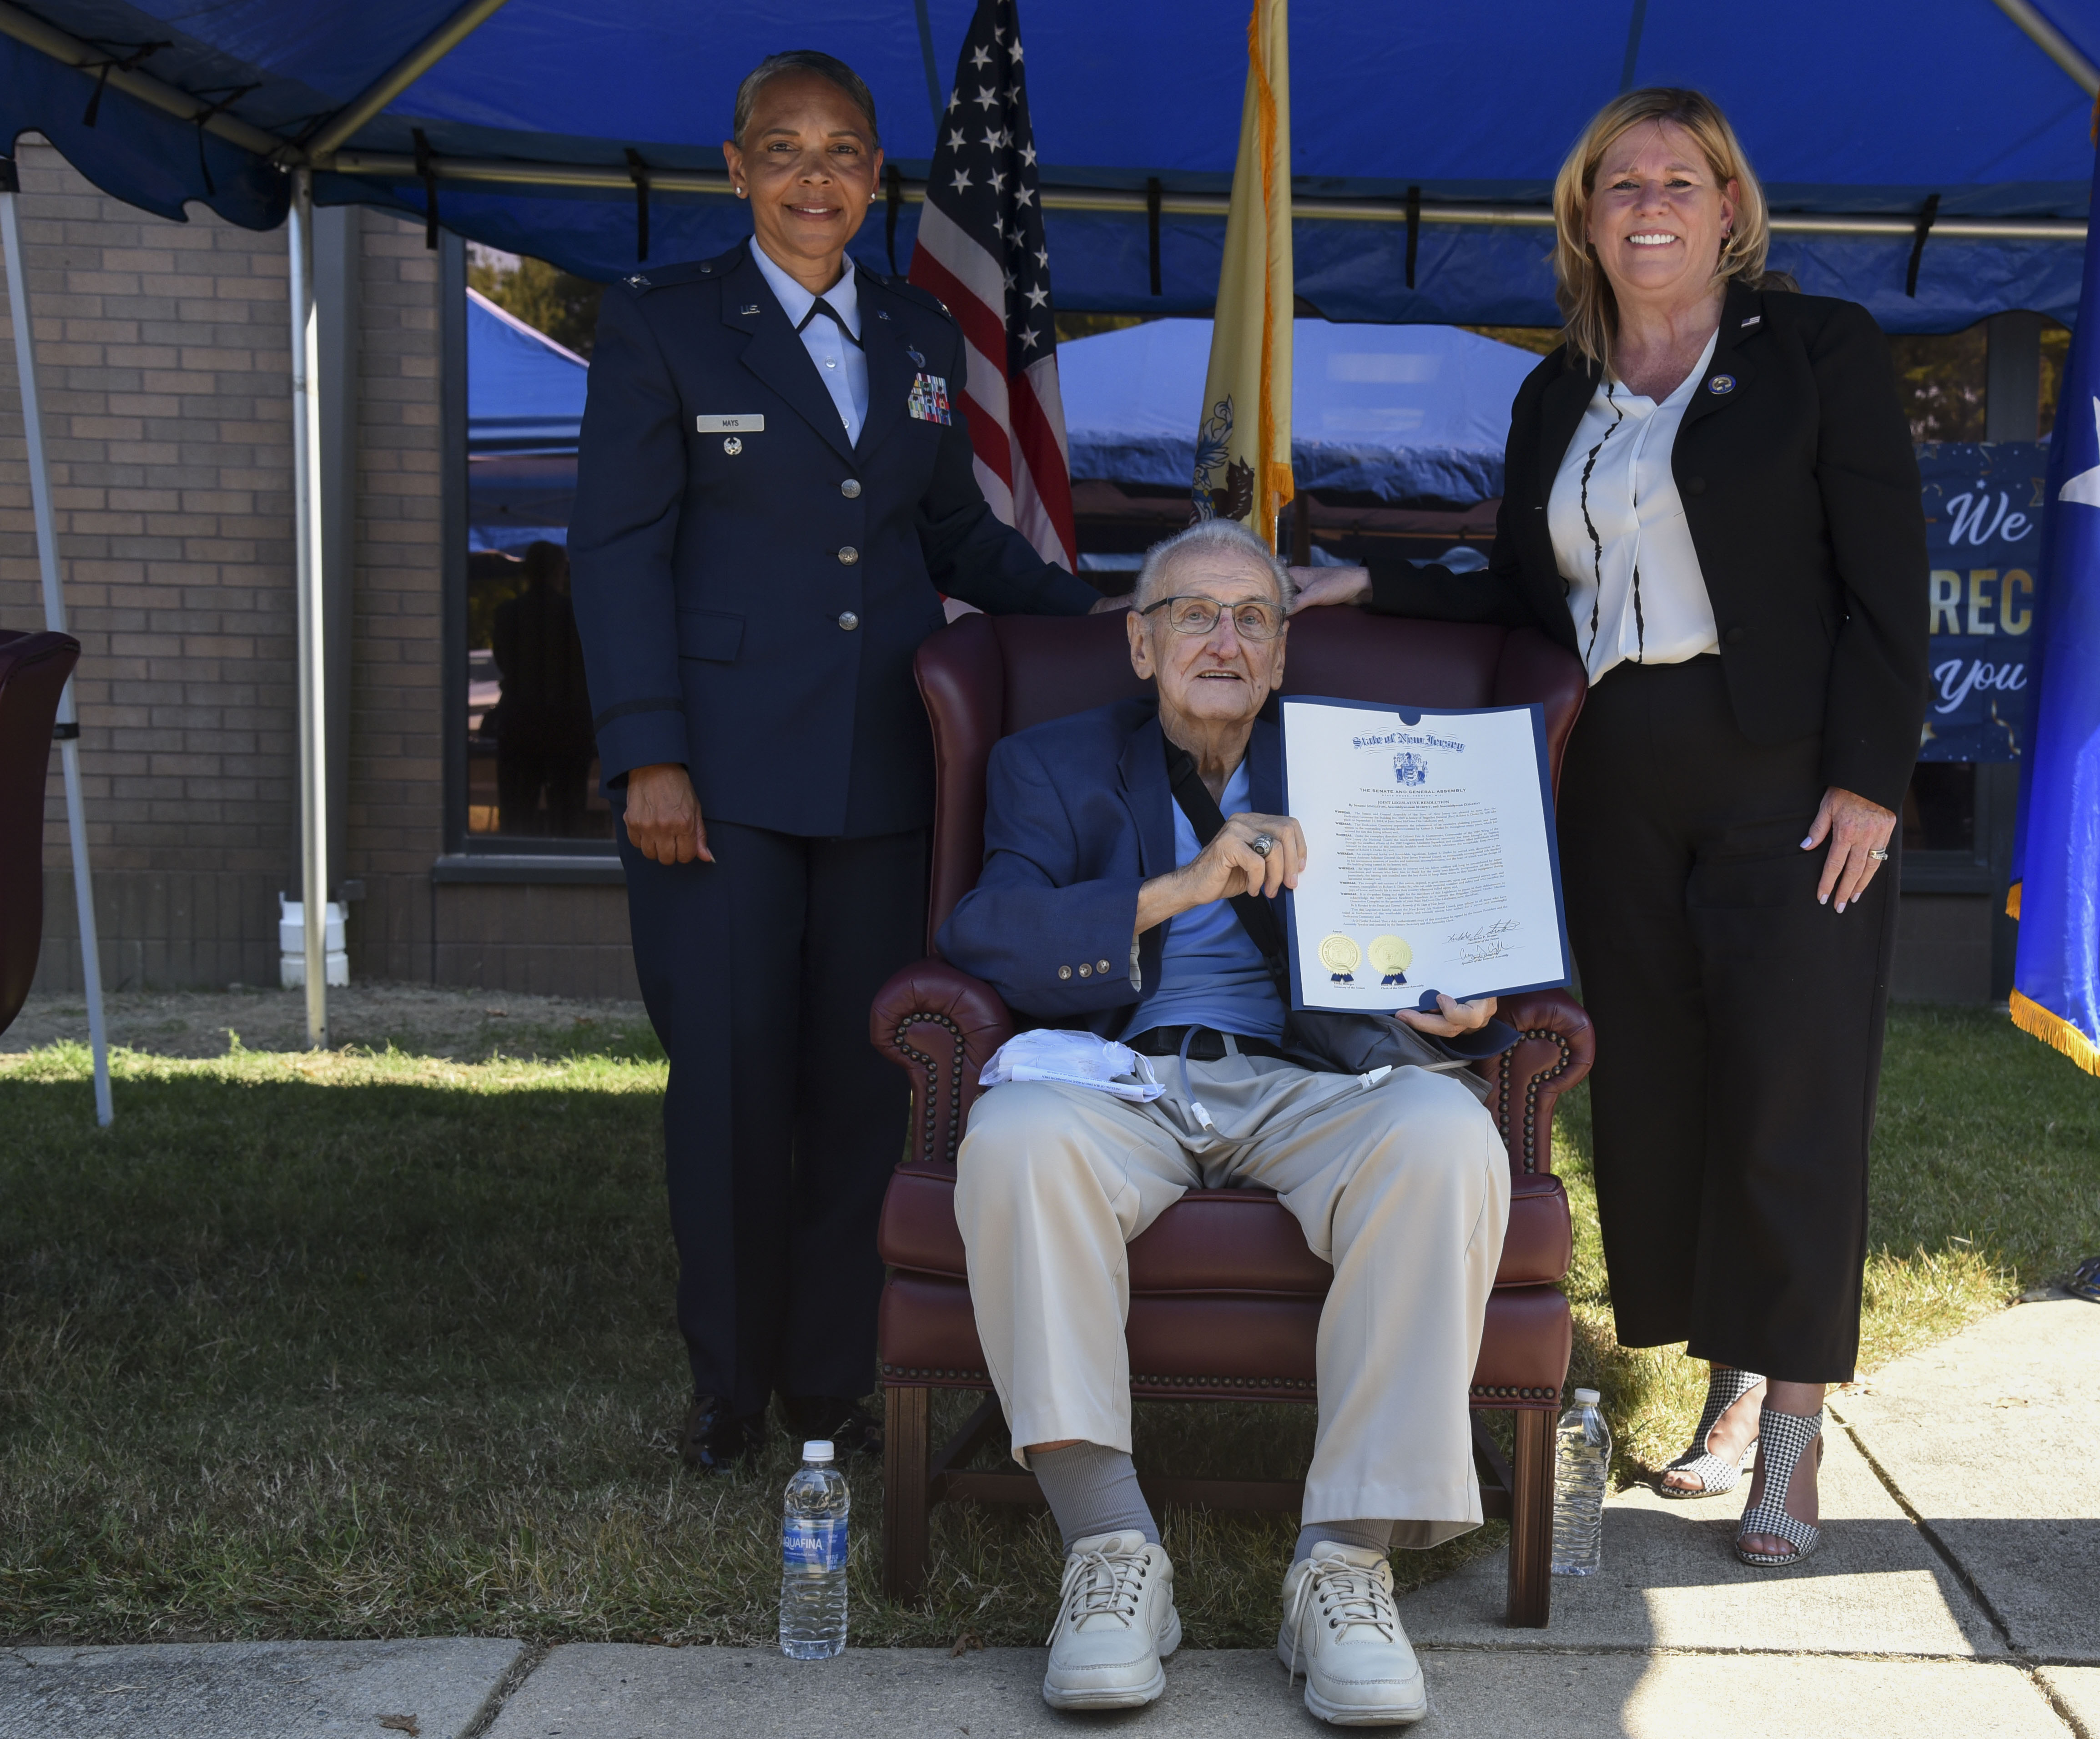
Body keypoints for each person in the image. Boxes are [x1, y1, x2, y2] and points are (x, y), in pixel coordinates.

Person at [1297, 87, 1927, 1565]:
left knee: (1790, 1088)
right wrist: (1368, 589)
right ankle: (1715, 1378)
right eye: (1618, 182)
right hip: (1613, 777)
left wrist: (1871, 777)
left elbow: (1884, 580)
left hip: (1784, 773)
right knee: (1655, 1092)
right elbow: (1529, 595)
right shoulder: (1551, 392)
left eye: (1679, 179)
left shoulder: (1813, 354)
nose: (1648, 202)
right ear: (1583, 217)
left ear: (1727, 207)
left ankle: (1786, 1425)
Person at [569, 49, 1109, 1474]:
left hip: (881, 778)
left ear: (879, 179)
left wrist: (1105, 608)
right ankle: (728, 1391)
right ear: (736, 168)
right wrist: (648, 757)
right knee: (735, 1088)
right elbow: (617, 557)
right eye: (785, 151)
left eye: (845, 153)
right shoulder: (662, 327)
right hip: (719, 789)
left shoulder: (922, 337)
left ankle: (828, 1383)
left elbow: (955, 541)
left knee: (865, 1086)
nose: (817, 178)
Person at [939, 519, 1511, 1723]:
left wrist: (1453, 1007)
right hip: (1126, 1077)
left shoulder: (1357, 771)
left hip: (1308, 1081)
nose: (1223, 636)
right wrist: (1185, 884)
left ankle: (1343, 1564)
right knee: (1013, 1137)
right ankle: (1110, 1552)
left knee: (1449, 1134)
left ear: (1282, 654)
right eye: (1193, 613)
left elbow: (1432, 953)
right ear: (1139, 644)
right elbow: (989, 934)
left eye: (1253, 615)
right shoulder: (1047, 764)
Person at [486, 540, 596, 837]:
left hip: (522, 722)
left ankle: (514, 874)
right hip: (569, 725)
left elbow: (504, 660)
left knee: (518, 815)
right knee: (568, 816)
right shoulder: (575, 614)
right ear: (560, 570)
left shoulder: (509, 614)